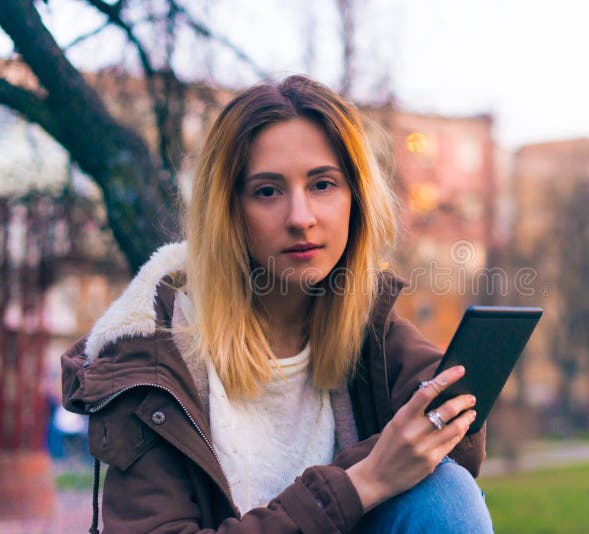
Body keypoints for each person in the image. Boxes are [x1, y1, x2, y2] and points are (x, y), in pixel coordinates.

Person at [61, 75, 493, 533]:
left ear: (356, 199)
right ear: (228, 210)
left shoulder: (367, 324)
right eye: (267, 191)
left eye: (322, 185)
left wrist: (429, 428)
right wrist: (364, 480)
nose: (300, 218)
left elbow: (457, 440)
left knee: (445, 489)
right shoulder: (154, 353)